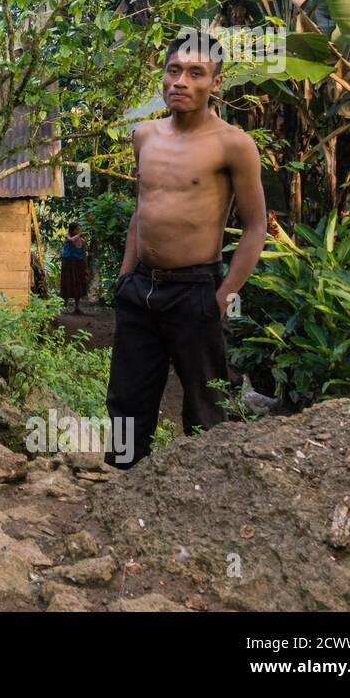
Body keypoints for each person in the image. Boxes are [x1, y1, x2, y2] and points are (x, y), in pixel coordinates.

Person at [105, 34, 266, 468]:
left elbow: (256, 227)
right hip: (141, 289)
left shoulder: (232, 144)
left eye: (196, 73)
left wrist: (224, 293)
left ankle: (209, 495)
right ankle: (122, 488)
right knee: (127, 398)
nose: (181, 81)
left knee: (208, 403)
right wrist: (125, 277)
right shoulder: (144, 136)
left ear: (215, 82)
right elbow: (142, 211)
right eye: (173, 70)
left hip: (197, 289)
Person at [60, 223, 90, 315]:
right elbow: (71, 240)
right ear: (72, 230)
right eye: (77, 229)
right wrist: (80, 234)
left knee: (78, 284)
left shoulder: (82, 241)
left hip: (78, 263)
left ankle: (77, 307)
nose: (79, 231)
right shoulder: (67, 237)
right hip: (68, 263)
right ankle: (64, 306)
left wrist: (86, 267)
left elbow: (84, 255)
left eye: (79, 229)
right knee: (67, 282)